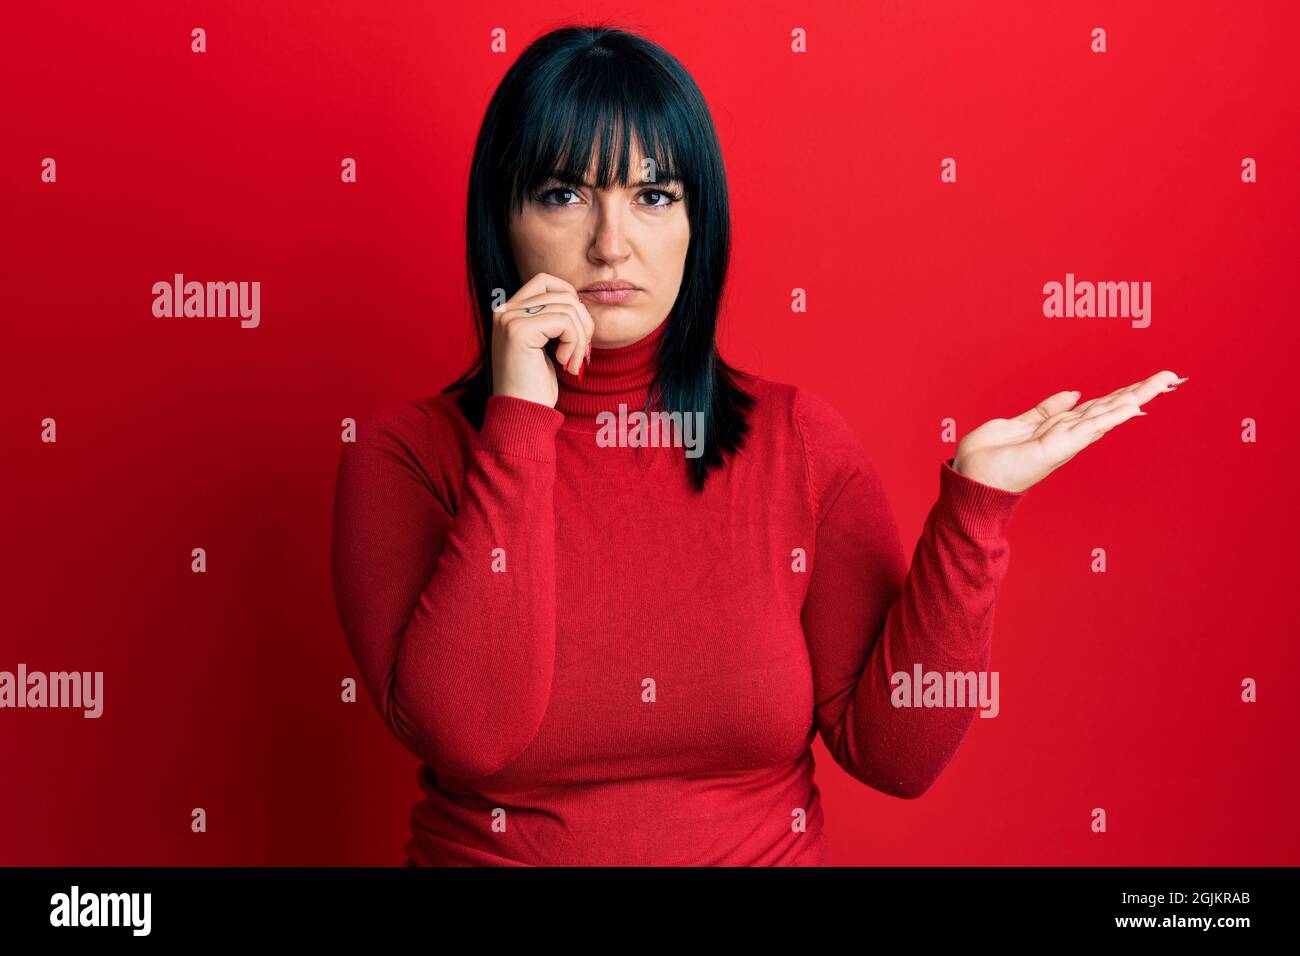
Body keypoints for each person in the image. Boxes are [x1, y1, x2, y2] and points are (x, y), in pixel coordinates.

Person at [329, 24, 1185, 866]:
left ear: (699, 223)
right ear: (502, 219)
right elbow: (468, 733)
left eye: (653, 196)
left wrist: (974, 509)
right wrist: (519, 422)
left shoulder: (798, 442)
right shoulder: (402, 456)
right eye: (564, 193)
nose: (611, 243)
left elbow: (897, 757)